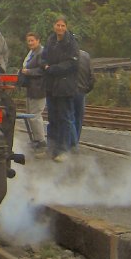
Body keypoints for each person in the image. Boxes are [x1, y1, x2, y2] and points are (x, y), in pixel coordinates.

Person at [41, 15, 79, 162]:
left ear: (66, 27)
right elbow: (43, 57)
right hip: (51, 85)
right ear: (54, 26)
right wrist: (45, 66)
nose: (60, 28)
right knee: (52, 118)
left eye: (63, 26)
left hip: (64, 86)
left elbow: (72, 63)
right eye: (58, 25)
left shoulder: (72, 43)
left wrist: (54, 69)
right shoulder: (50, 40)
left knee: (64, 118)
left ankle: (64, 150)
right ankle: (51, 148)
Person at [17, 32, 47, 152]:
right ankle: (36, 139)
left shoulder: (42, 53)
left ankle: (41, 141)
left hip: (39, 89)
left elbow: (42, 70)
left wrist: (28, 72)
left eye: (32, 41)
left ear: (38, 40)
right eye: (28, 41)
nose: (30, 43)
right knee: (30, 115)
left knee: (35, 116)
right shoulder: (32, 53)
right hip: (31, 88)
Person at [72, 49, 94, 148]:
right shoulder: (86, 55)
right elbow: (92, 77)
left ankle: (72, 144)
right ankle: (75, 142)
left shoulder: (65, 54)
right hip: (81, 91)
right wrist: (86, 89)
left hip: (68, 91)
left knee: (68, 117)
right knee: (78, 118)